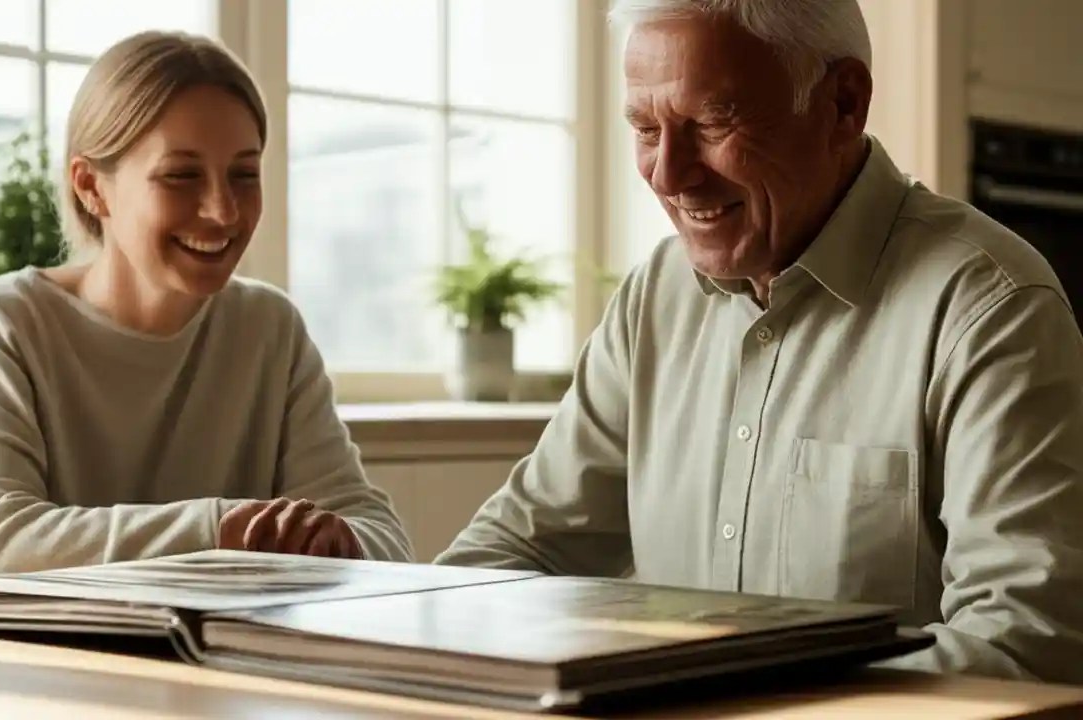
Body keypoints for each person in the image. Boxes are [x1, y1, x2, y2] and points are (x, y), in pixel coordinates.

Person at [437, 0, 1083, 684]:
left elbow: (1026, 644)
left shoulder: (990, 308)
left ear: (844, 103)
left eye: (713, 123)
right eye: (646, 128)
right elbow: (519, 550)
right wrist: (410, 630)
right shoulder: (654, 296)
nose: (667, 173)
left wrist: (730, 690)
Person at [0, 31, 413, 577]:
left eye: (244, 174)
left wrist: (333, 539)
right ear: (91, 186)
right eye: (181, 175)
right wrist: (222, 530)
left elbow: (380, 535)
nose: (223, 211)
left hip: (185, 652)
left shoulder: (268, 328)